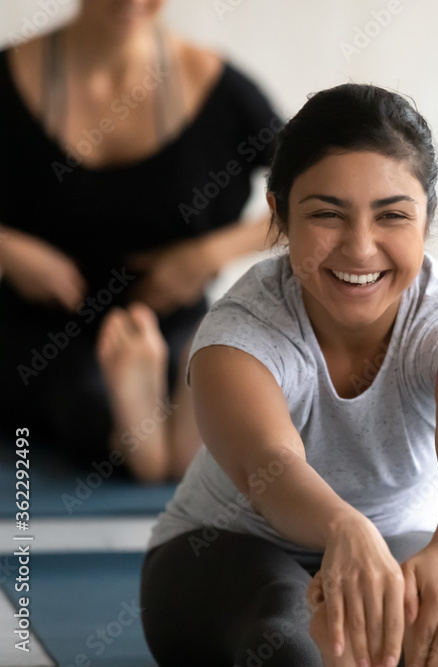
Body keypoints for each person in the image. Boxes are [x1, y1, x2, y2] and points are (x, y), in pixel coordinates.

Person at [140, 83, 438, 667]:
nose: (361, 249)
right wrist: (345, 527)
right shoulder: (237, 336)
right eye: (327, 215)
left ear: (428, 217)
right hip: (224, 553)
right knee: (298, 646)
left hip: (391, 545)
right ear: (280, 214)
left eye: (392, 216)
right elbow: (274, 470)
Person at [0, 0, 280, 481]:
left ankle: (161, 433)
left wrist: (204, 256)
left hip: (164, 324)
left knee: (217, 379)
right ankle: (142, 441)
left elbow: (318, 197)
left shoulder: (219, 88)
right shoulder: (9, 75)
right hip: (40, 331)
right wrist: (9, 249)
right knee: (82, 394)